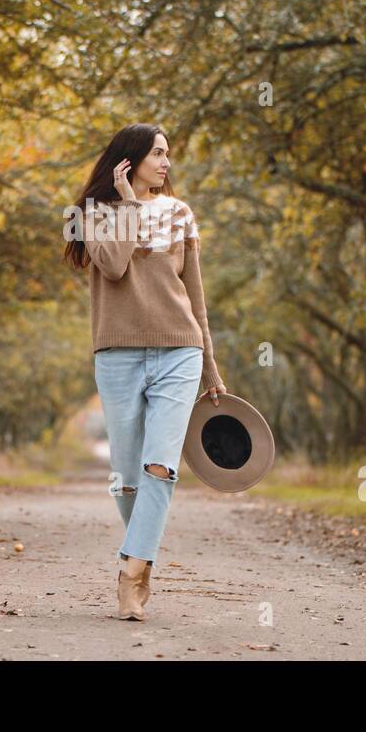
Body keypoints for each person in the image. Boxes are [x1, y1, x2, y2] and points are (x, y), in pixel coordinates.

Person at [63, 123, 226, 620]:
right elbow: (114, 267)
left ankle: (132, 573)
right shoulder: (91, 215)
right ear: (128, 160)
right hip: (118, 355)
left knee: (160, 465)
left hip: (180, 350)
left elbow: (195, 296)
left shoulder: (180, 214)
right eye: (157, 153)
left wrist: (210, 366)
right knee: (126, 476)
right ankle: (142, 553)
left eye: (167, 154)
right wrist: (130, 204)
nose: (166, 163)